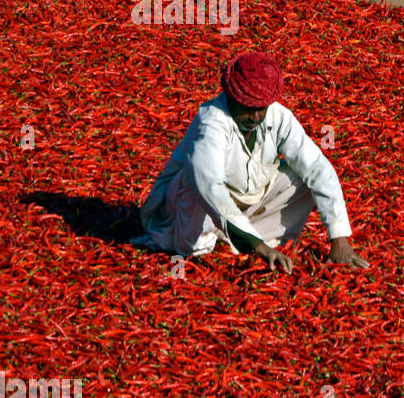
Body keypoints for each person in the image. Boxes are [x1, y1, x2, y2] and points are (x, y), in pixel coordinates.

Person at [133, 51, 368, 271]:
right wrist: (260, 248)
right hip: (189, 215)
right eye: (248, 107)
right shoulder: (212, 123)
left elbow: (318, 167)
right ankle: (209, 246)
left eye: (261, 108)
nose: (255, 116)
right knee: (194, 177)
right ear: (231, 96)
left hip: (245, 205)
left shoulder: (277, 116)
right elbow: (210, 187)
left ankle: (244, 238)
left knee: (302, 176)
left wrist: (339, 240)